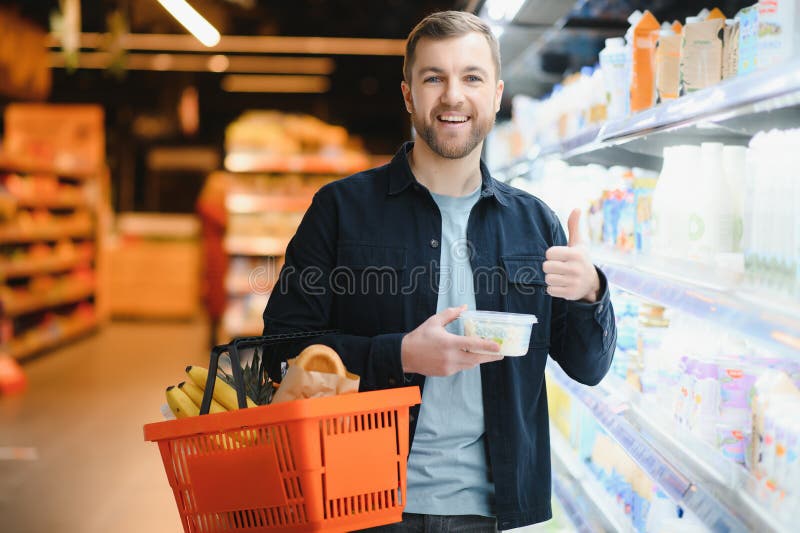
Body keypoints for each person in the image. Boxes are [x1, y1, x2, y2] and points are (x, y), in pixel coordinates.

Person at [263, 10, 616, 532]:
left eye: (471, 77)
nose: (453, 96)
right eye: (434, 78)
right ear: (408, 95)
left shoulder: (536, 223)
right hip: (359, 501)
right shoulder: (340, 210)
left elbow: (589, 367)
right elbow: (280, 349)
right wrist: (398, 354)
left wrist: (591, 292)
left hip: (489, 512)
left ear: (495, 95)